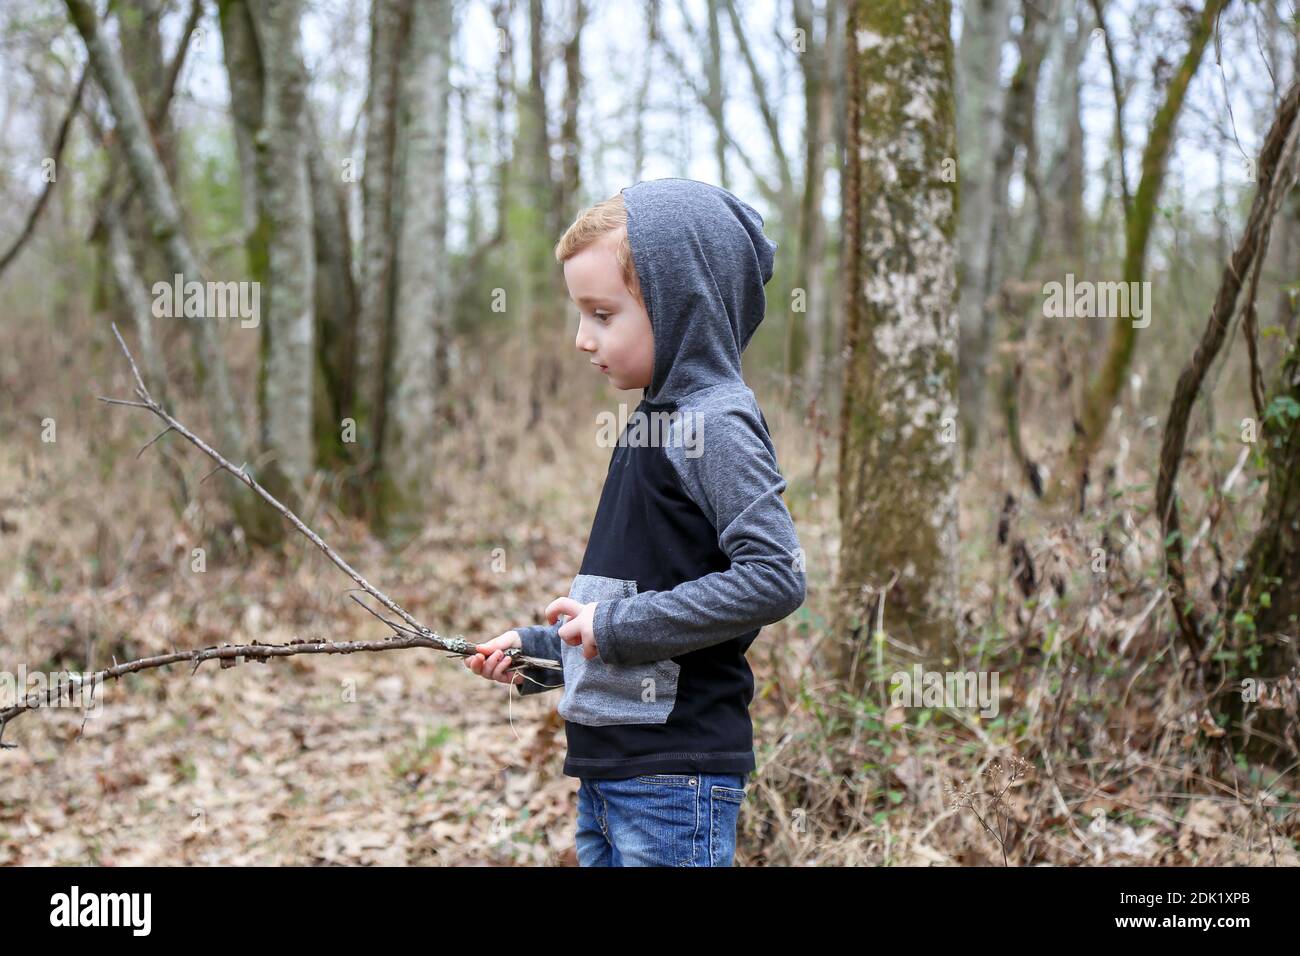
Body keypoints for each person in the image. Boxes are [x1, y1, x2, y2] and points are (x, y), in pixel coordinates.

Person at [465, 178, 805, 866]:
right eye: (579, 313)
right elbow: (649, 593)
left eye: (602, 313)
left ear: (682, 302)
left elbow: (774, 578)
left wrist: (613, 627)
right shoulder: (652, 422)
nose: (582, 338)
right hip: (611, 770)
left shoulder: (714, 422)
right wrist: (543, 649)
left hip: (674, 777)